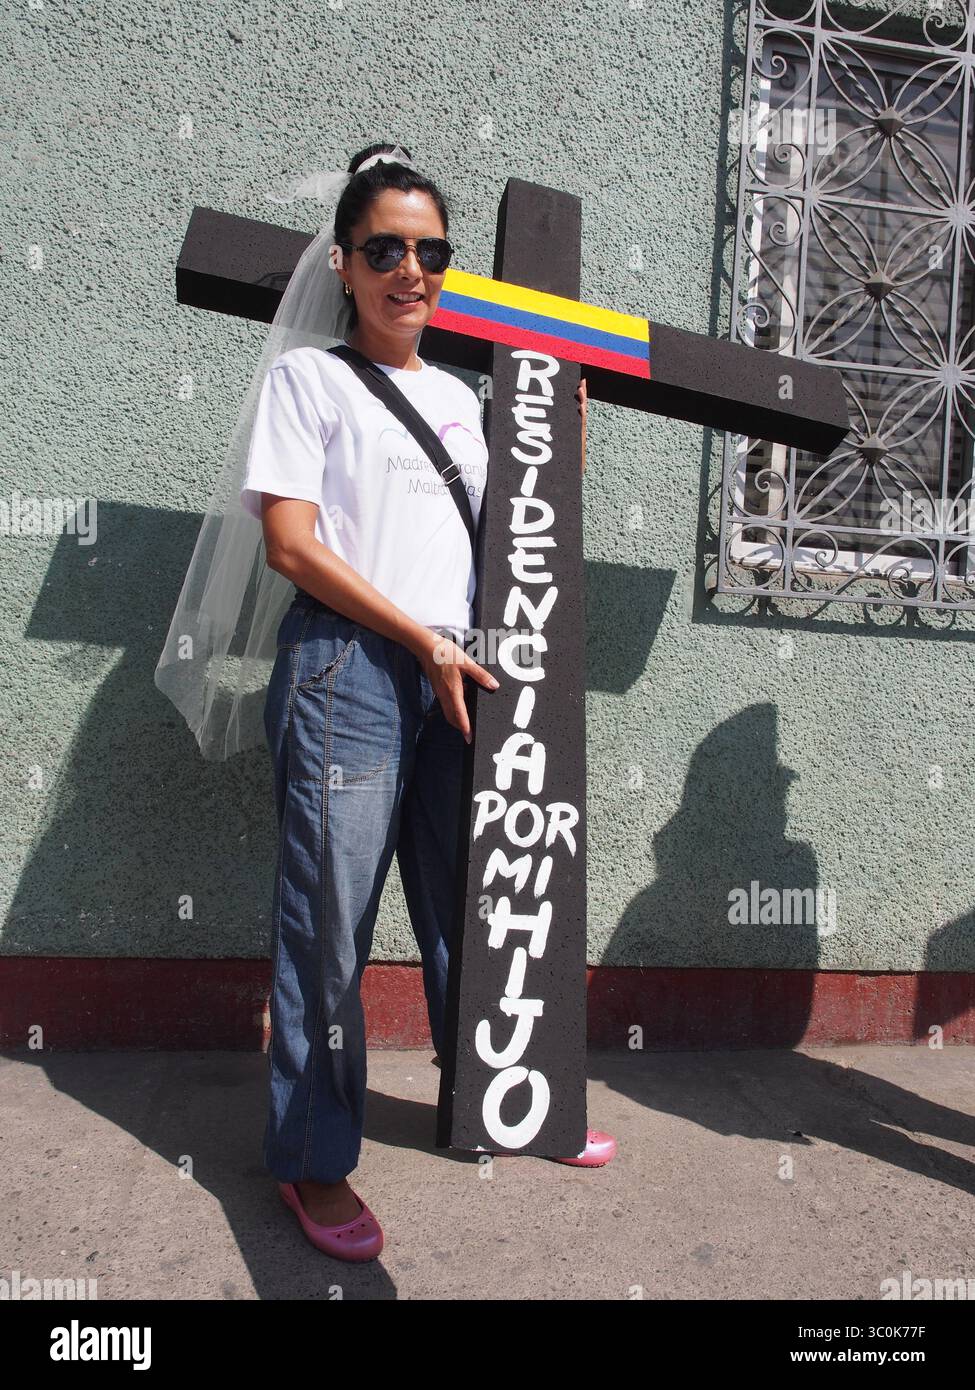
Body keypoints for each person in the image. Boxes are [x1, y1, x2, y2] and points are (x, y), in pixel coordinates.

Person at [239, 142, 614, 1262]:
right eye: (386, 249)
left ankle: (507, 1098)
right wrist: (416, 639)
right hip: (347, 671)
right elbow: (291, 547)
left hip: (461, 675)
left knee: (478, 904)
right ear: (346, 264)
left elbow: (519, 535)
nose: (411, 269)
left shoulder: (459, 397)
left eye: (430, 251)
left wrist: (565, 419)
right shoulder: (307, 380)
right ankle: (311, 1158)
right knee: (329, 929)